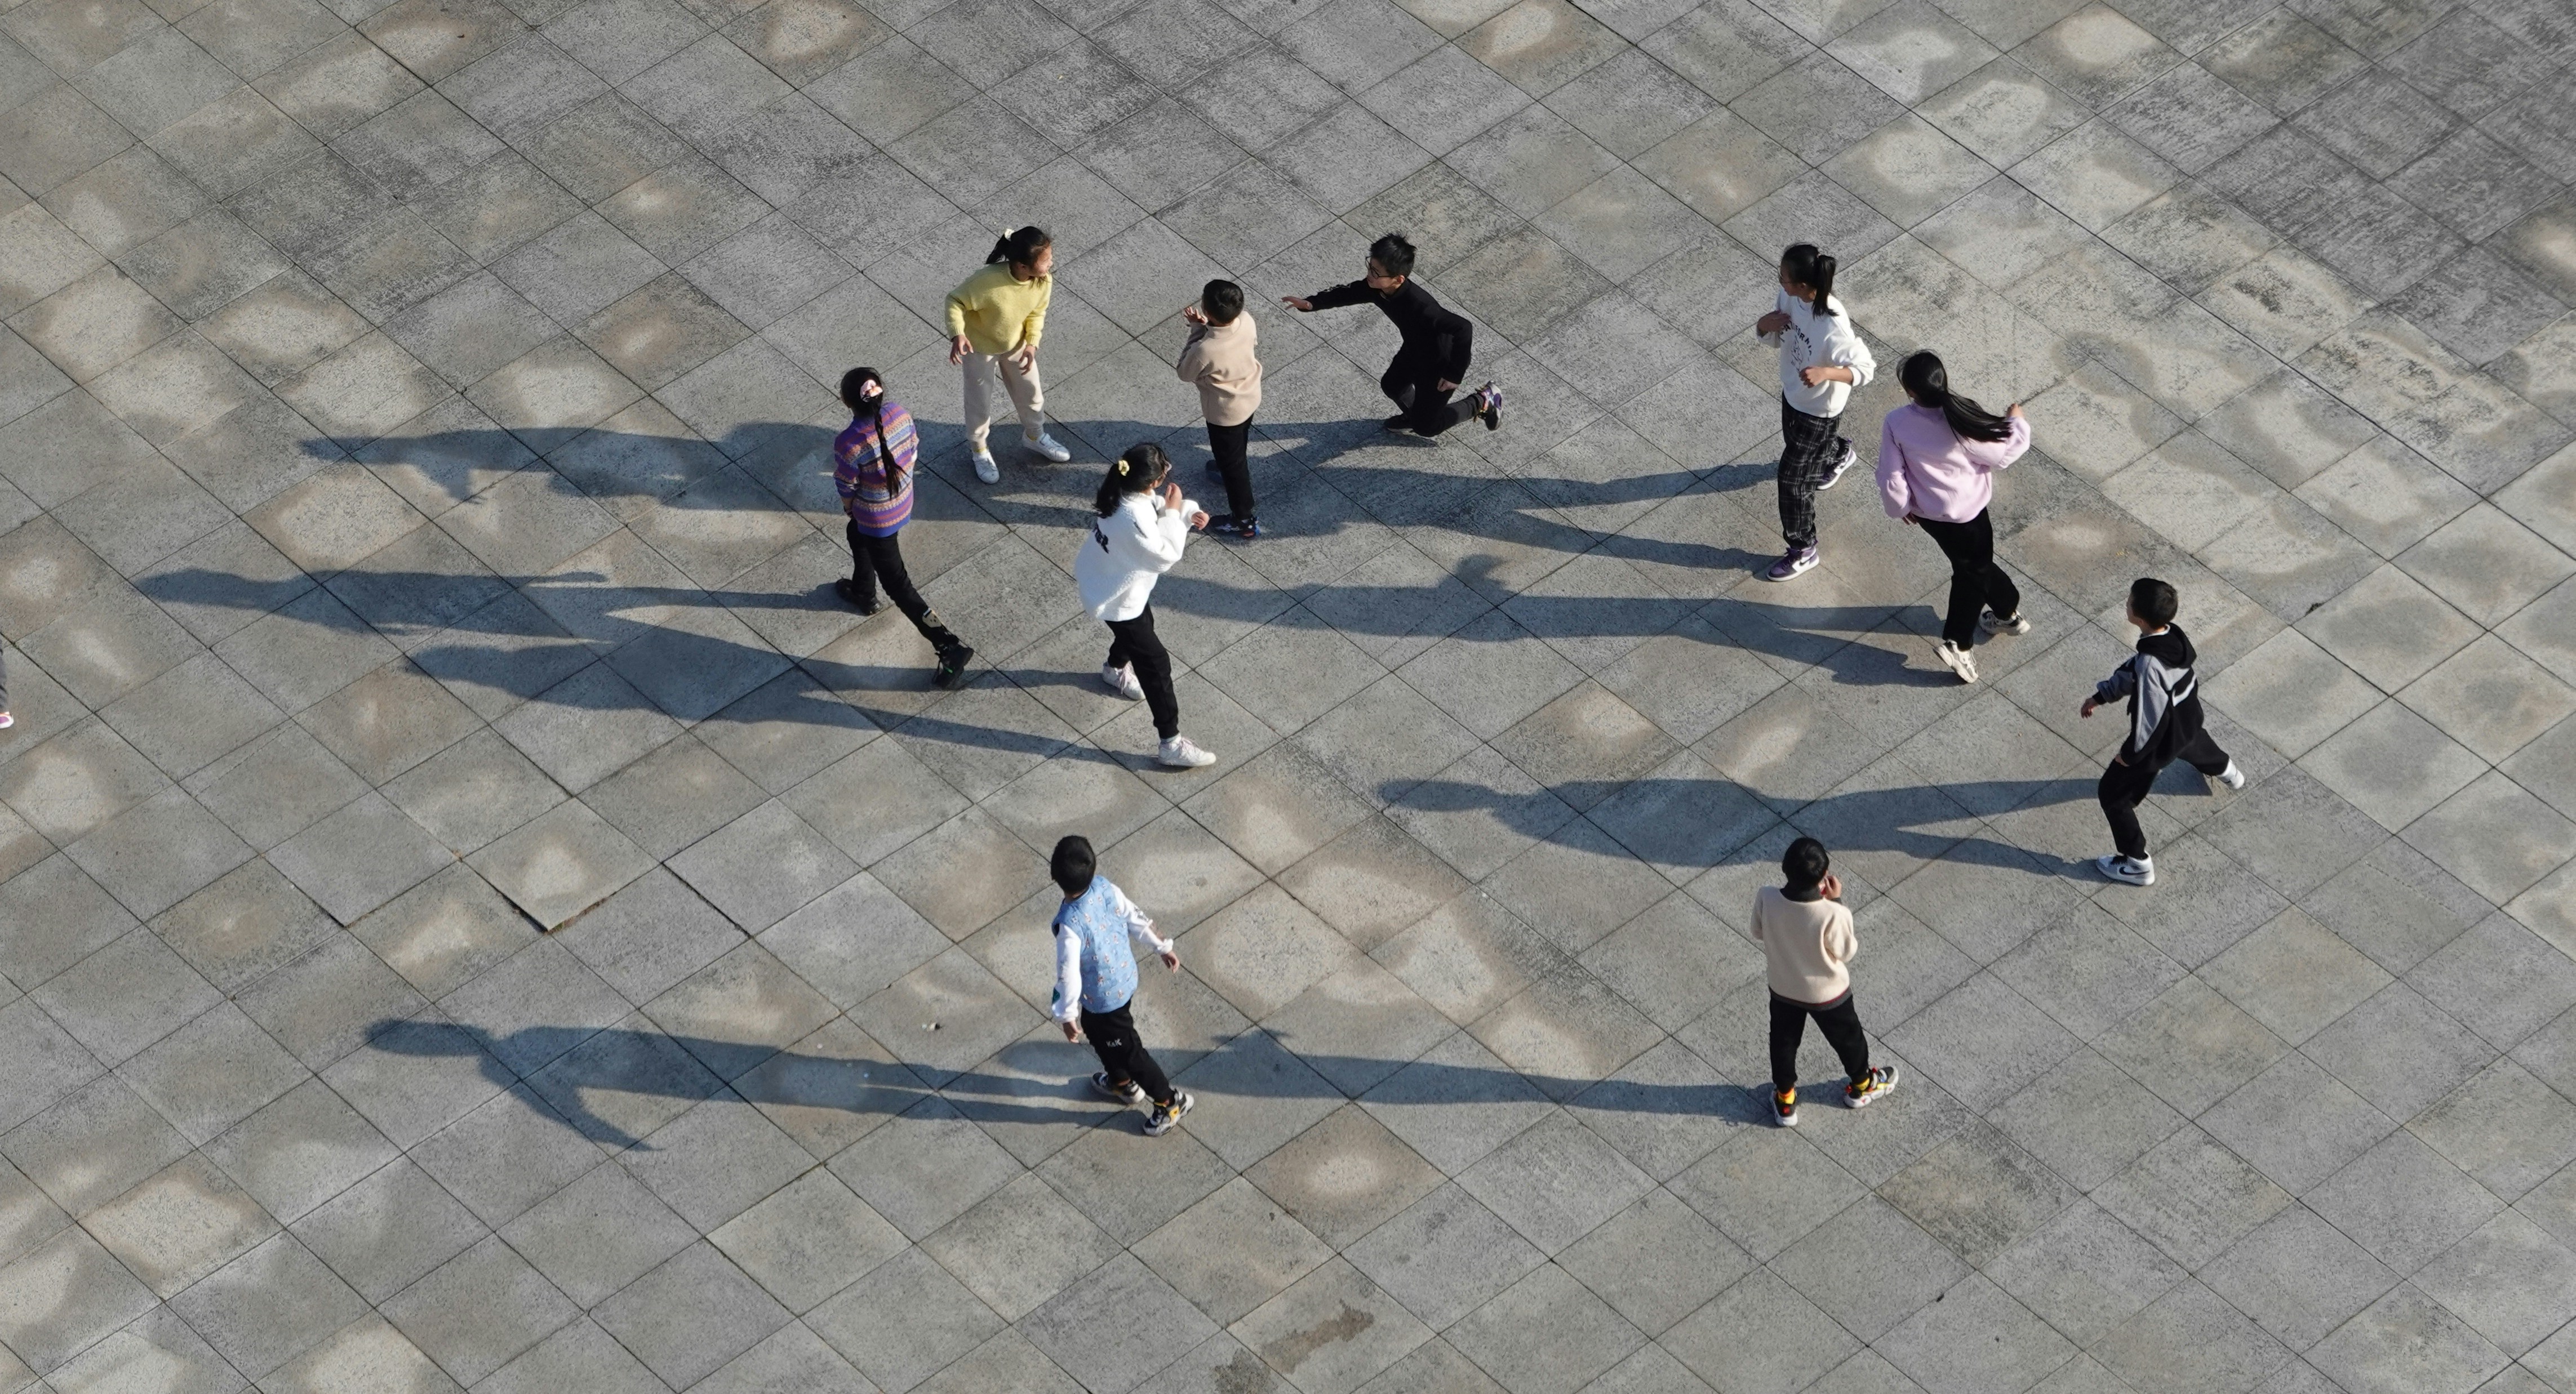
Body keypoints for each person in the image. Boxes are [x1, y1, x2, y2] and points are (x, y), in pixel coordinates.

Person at [1876, 350, 2032, 685]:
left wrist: (1900, 507)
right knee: (1972, 571)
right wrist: (2016, 421)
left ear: (1910, 391)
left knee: (1973, 566)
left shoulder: (1897, 422)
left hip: (1929, 515)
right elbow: (2002, 454)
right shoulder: (1961, 417)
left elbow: (1891, 474)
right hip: (1970, 515)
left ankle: (2008, 612)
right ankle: (1959, 644)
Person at [2083, 577, 2246, 887]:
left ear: (2139, 618)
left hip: (2160, 739)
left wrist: (2129, 756)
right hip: (2187, 718)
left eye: (2129, 600)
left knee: (2112, 795)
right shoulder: (2174, 637)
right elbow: (2133, 672)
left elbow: (2149, 718)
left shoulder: (2149, 664)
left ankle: (2137, 865)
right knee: (2193, 742)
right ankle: (2229, 772)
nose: (2126, 602)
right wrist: (2103, 695)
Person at [1076, 443, 1217, 769]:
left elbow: (1153, 508)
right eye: (1163, 470)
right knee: (1156, 665)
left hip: (1106, 584)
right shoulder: (1134, 518)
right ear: (1151, 481)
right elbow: (1165, 555)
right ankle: (1171, 743)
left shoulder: (1122, 494)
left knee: (1140, 631)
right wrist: (1174, 513)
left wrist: (1183, 513)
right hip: (1117, 598)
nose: (1168, 473)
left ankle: (1114, 670)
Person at [833, 368, 973, 689]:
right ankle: (863, 591)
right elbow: (914, 447)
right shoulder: (899, 414)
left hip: (877, 517)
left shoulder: (849, 441)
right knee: (856, 535)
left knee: (898, 585)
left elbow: (846, 483)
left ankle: (947, 644)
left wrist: (849, 507)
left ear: (846, 402)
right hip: (902, 503)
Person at [1283, 233, 1499, 438]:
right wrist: (1312, 303)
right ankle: (1414, 416)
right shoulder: (1376, 288)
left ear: (1398, 279)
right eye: (1371, 266)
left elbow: (1463, 327)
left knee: (1427, 427)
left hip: (1439, 364)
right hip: (1415, 349)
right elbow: (1347, 293)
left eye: (1377, 273)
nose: (1370, 274)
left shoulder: (1421, 306)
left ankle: (1482, 401)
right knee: (1393, 385)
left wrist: (1454, 374)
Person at [1050, 834, 1194, 1137]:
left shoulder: (1069, 927)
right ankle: (1122, 1084)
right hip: (1121, 981)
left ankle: (1170, 1101)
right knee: (1098, 1032)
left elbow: (1068, 975)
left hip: (1106, 998)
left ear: (1055, 877)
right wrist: (1162, 946)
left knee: (1129, 1050)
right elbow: (1135, 917)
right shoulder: (1105, 888)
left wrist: (1066, 1015)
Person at [1751, 838, 1897, 1126]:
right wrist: (1837, 902)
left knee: (1783, 1042)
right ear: (1823, 877)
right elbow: (1846, 951)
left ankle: (1785, 1099)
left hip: (1783, 989)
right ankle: (1862, 1085)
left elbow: (1757, 931)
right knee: (1848, 1039)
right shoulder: (1834, 913)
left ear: (1784, 867)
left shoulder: (1766, 897)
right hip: (1829, 995)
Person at [1754, 243, 1875, 582]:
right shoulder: (1790, 299)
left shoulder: (1833, 323)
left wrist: (1827, 373)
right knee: (1803, 452)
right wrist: (1764, 326)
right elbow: (1776, 338)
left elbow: (1866, 368)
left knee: (1793, 482)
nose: (1780, 283)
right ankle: (1839, 452)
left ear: (1805, 285)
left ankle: (1803, 548)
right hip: (1792, 394)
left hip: (1818, 411)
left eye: (1785, 278)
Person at [947, 226, 1072, 484]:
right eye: (1046, 260)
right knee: (979, 402)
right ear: (1022, 266)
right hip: (979, 349)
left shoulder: (1044, 280)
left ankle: (1035, 436)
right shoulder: (986, 281)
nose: (1052, 263)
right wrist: (958, 334)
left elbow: (1037, 313)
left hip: (1017, 346)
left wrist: (1032, 344)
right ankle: (979, 449)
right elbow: (955, 301)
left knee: (1032, 392)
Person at [1178, 279, 1264, 540]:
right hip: (1249, 397)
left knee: (1235, 468)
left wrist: (1196, 330)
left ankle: (1244, 520)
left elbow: (1185, 372)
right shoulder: (1247, 320)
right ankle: (1224, 466)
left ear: (1206, 310)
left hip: (1225, 414)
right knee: (1238, 444)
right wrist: (1205, 327)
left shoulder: (1205, 349)